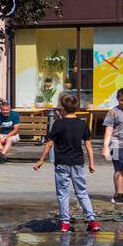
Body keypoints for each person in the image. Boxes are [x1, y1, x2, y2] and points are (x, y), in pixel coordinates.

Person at [34, 93, 100, 232]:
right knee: (82, 192)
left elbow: (49, 143)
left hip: (62, 163)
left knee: (63, 193)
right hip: (78, 163)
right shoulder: (82, 124)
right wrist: (91, 163)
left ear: (62, 108)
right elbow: (88, 145)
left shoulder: (58, 123)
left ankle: (65, 223)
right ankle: (92, 221)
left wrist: (41, 160)